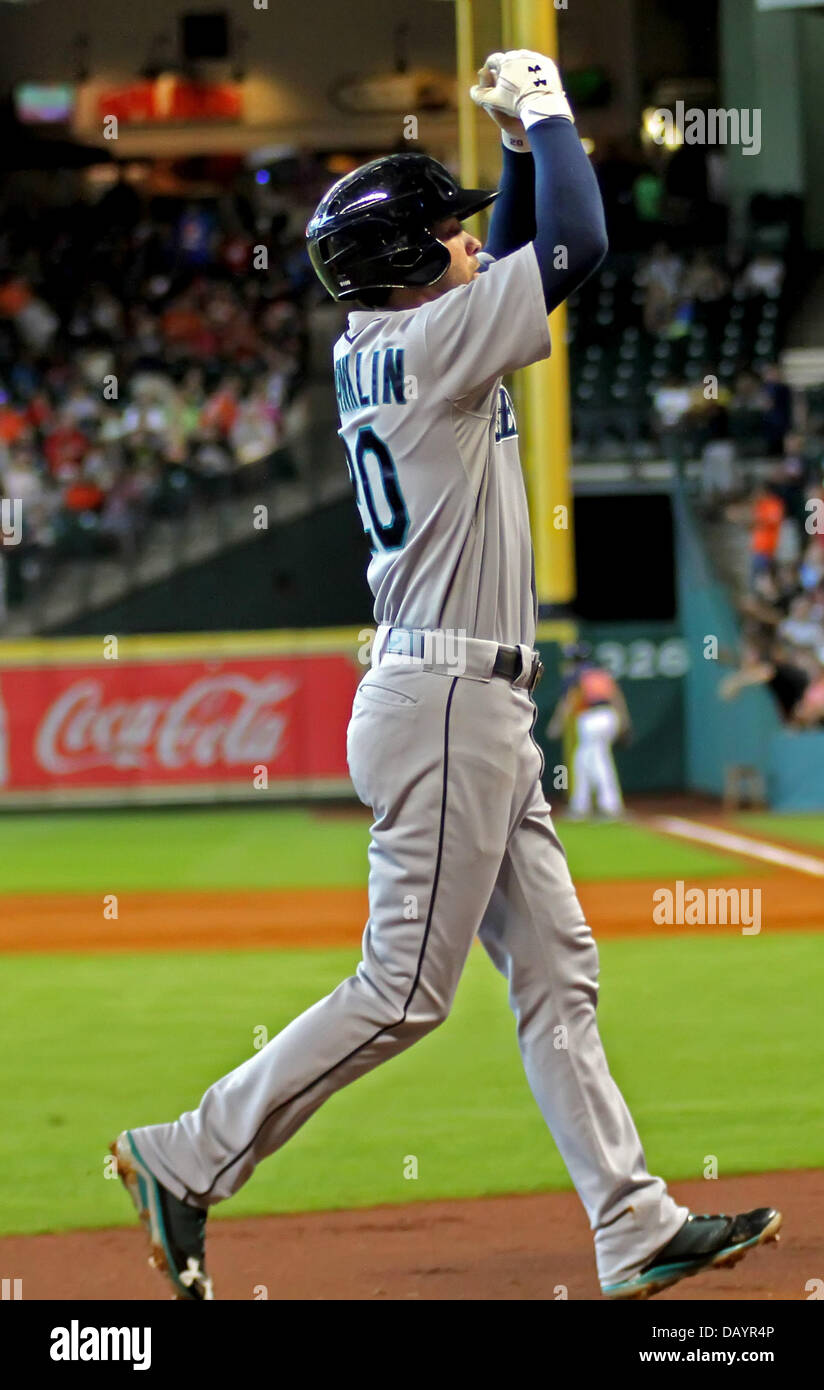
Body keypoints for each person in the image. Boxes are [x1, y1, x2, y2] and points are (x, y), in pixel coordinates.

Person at [111, 49, 781, 1303]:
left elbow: (533, 247)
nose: (470, 248)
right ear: (407, 266)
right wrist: (546, 112)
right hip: (443, 705)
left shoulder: (396, 342)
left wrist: (519, 161)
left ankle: (630, 1222)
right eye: (447, 236)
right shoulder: (430, 345)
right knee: (402, 990)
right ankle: (184, 1155)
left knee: (556, 971)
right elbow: (574, 252)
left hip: (463, 701)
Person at [546, 643, 630, 819]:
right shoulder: (599, 673)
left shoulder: (574, 674)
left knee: (597, 760)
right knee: (583, 760)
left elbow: (567, 703)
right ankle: (581, 806)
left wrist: (556, 725)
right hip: (609, 717)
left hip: (591, 719)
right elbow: (616, 697)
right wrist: (624, 721)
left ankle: (610, 805)